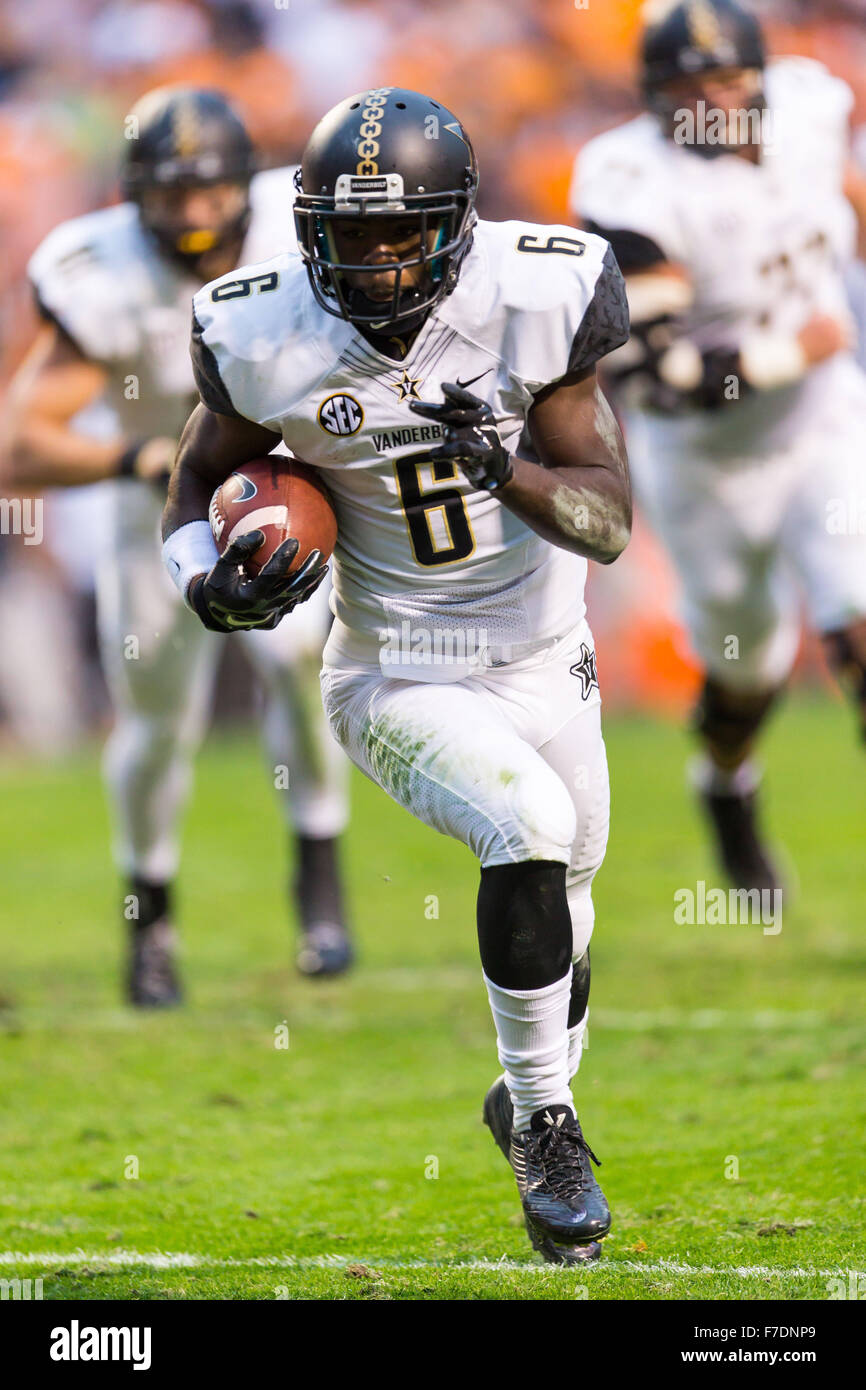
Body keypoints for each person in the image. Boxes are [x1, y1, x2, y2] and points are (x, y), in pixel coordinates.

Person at [161, 87, 632, 1263]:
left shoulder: (542, 291)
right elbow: (189, 491)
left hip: (545, 657)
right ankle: (547, 1126)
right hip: (394, 668)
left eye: (396, 233)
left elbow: (609, 521)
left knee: (568, 903)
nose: (370, 263)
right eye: (345, 234)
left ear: (455, 225)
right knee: (522, 829)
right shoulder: (256, 328)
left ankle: (525, 1092)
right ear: (305, 225)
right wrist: (203, 582)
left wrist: (505, 468)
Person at [6, 86, 354, 1004]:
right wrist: (145, 455)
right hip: (153, 509)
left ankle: (319, 870)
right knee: (159, 720)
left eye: (207, 192)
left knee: (297, 653)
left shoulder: (303, 227)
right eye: (169, 195)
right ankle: (150, 914)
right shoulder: (103, 269)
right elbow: (21, 440)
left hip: (272, 488)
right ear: (133, 196)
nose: (193, 216)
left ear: (247, 185)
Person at [571, 0, 866, 892]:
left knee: (858, 619)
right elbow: (661, 376)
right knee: (749, 670)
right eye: (690, 85)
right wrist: (787, 350)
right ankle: (726, 785)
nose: (713, 98)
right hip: (706, 461)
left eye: (728, 77)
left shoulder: (813, 104)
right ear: (656, 98)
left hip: (823, 422)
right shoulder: (627, 179)